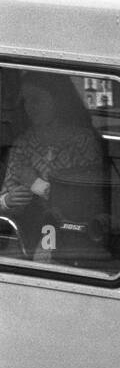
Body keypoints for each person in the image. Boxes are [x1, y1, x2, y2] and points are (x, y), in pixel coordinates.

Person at [0, 73, 105, 260]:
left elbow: (82, 200)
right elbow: (5, 197)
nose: (29, 107)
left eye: (36, 100)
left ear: (58, 100)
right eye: (26, 101)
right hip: (27, 229)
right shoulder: (22, 144)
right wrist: (9, 200)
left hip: (74, 231)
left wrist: (35, 184)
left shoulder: (83, 142)